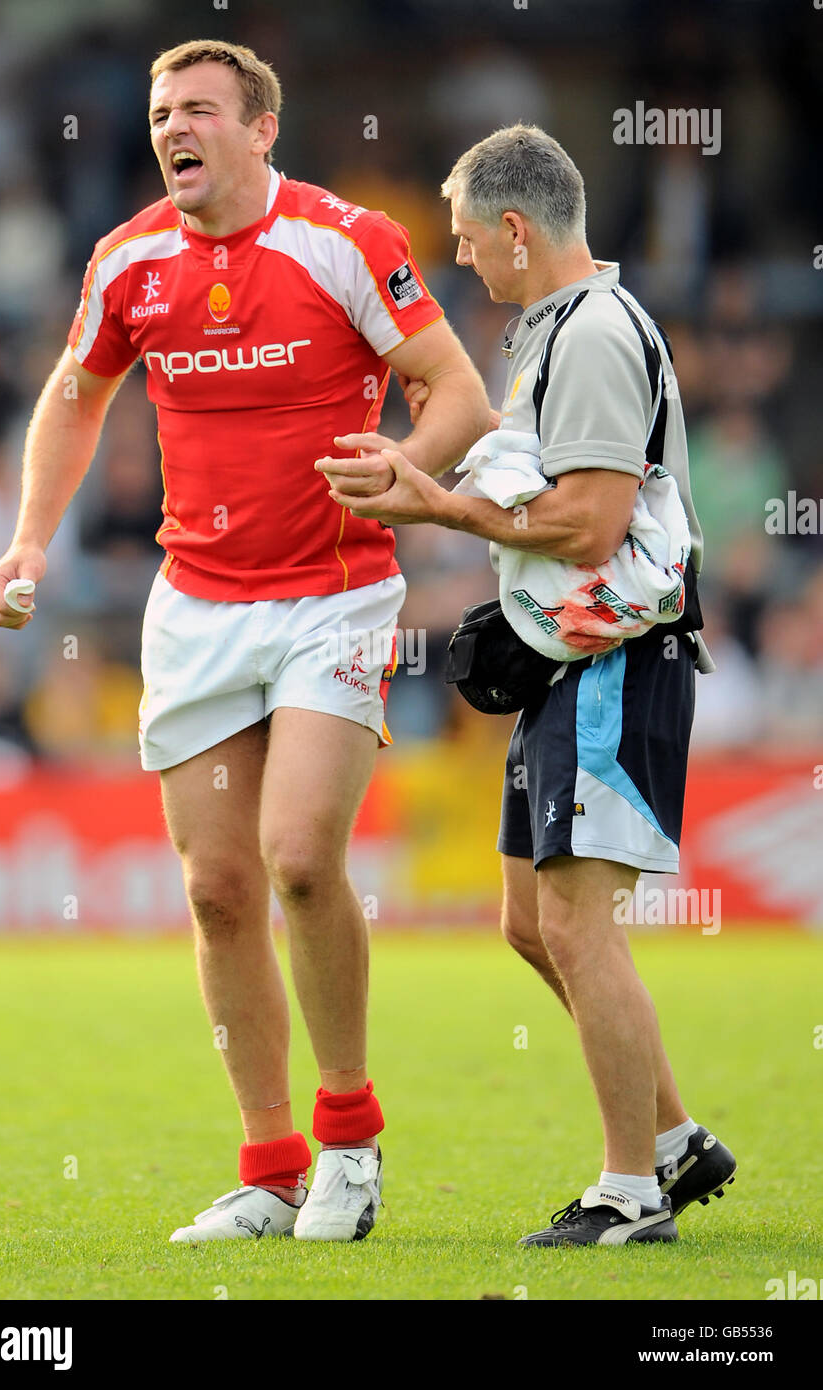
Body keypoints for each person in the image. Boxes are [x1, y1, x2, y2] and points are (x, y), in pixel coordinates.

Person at [0, 38, 490, 1243]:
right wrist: (29, 543)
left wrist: (407, 472)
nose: (172, 128)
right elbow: (73, 394)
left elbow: (456, 391)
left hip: (334, 593)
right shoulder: (128, 258)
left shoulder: (346, 241)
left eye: (199, 109)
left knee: (301, 856)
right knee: (217, 892)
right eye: (162, 112)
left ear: (261, 128)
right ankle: (268, 1169)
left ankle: (350, 1146)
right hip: (196, 604)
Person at [320, 123, 737, 1247]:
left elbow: (591, 524)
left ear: (515, 227)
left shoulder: (594, 330)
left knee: (574, 919)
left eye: (465, 241)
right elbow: (532, 473)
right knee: (528, 917)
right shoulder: (553, 329)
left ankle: (627, 1192)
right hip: (571, 662)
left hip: (611, 659)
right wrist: (418, 468)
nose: (462, 261)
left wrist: (434, 507)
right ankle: (672, 1139)